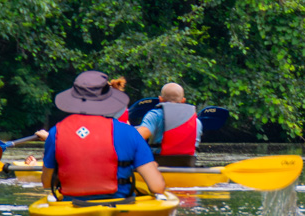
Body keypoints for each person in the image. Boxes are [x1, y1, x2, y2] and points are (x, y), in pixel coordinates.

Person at [41, 70, 167, 201]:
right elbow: (156, 187)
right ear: (109, 100)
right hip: (119, 206)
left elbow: (47, 182)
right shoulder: (129, 132)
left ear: (75, 99)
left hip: (72, 206)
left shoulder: (56, 132)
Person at [135, 82, 202, 168]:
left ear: (160, 99)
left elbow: (138, 137)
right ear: (183, 100)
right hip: (187, 163)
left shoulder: (154, 115)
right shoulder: (196, 121)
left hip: (158, 162)